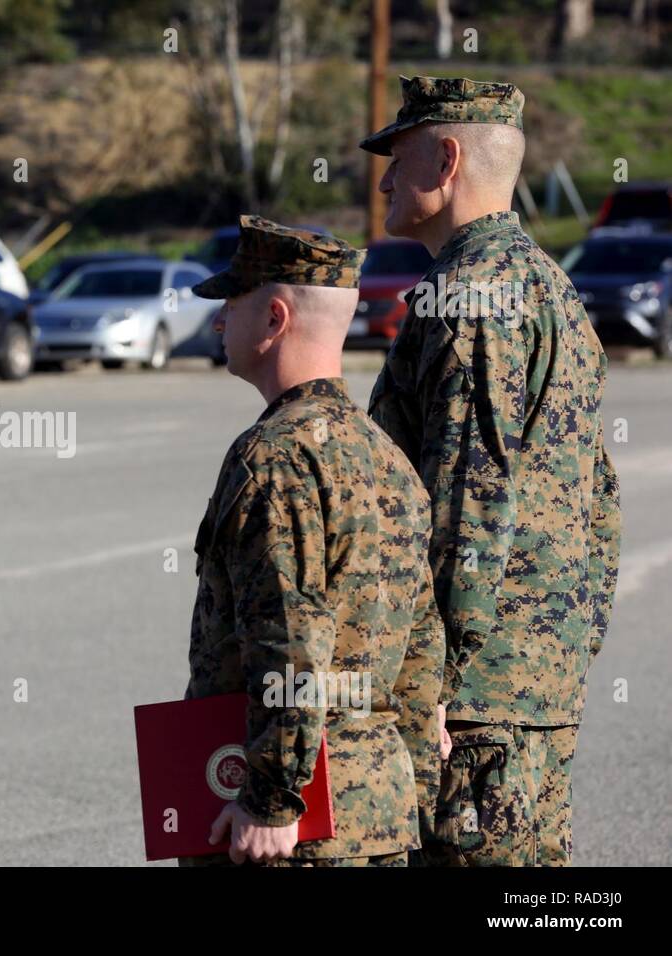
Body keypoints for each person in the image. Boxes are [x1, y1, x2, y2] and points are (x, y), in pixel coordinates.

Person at [361, 76, 622, 866]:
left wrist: (436, 682)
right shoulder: (554, 289)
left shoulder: (469, 299)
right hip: (534, 687)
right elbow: (599, 505)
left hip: (472, 705)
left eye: (396, 159)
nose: (382, 181)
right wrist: (569, 654)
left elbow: (469, 503)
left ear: (445, 160)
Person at [182, 216, 444, 867]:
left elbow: (289, 640)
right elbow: (420, 653)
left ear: (274, 318)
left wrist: (270, 799)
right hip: (377, 818)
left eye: (230, 306)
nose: (219, 323)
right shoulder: (386, 456)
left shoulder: (275, 457)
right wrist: (418, 801)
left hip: (295, 830)